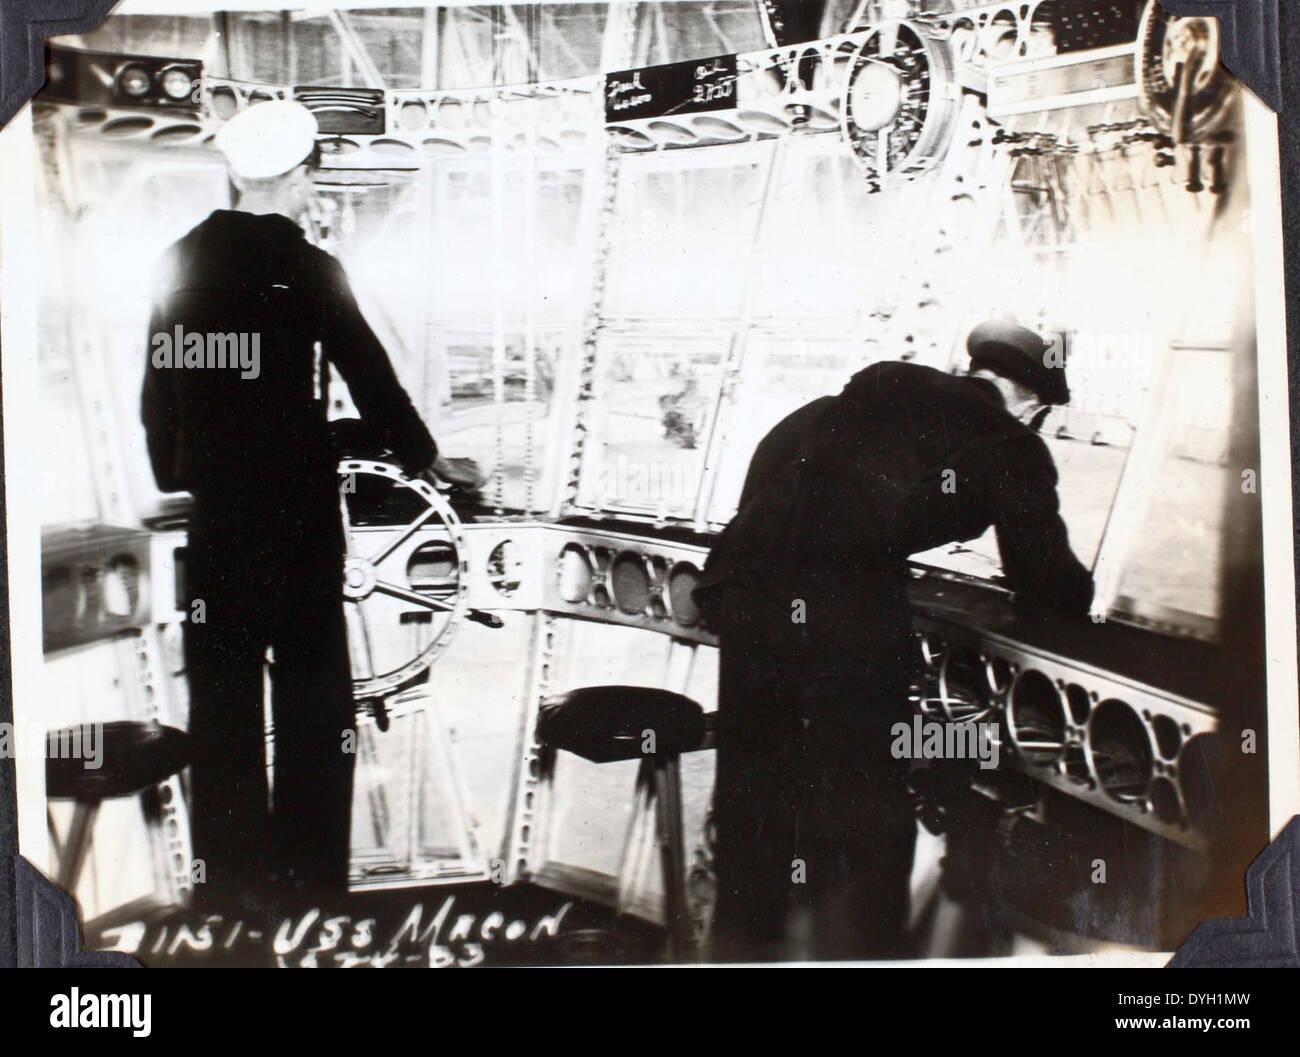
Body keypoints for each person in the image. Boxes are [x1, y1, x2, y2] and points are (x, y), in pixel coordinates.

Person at [140, 100, 482, 917]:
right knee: (313, 703)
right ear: (300, 173)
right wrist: (432, 462)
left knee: (221, 706)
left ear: (235, 173)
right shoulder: (310, 266)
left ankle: (229, 901)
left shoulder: (177, 262)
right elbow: (373, 379)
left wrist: (185, 470)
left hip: (219, 525)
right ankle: (312, 895)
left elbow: (157, 397)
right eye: (309, 179)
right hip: (296, 522)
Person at [694, 320, 1095, 962]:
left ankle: (742, 951)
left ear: (976, 373)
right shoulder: (1007, 440)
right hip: (837, 626)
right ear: (1033, 403)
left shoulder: (843, 403)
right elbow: (1047, 582)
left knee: (754, 805)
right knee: (866, 819)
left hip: (745, 606)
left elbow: (767, 491)